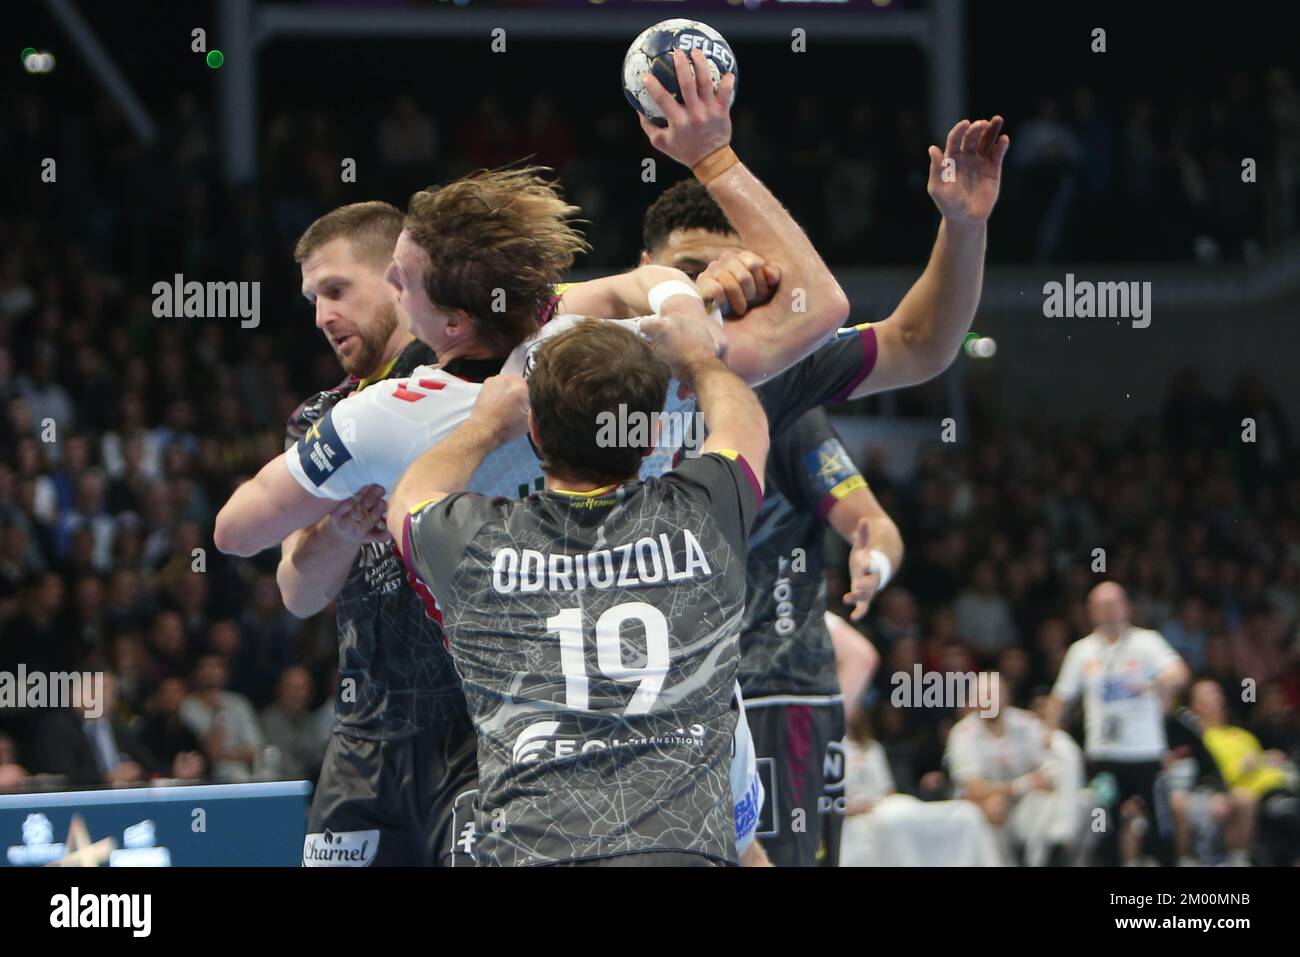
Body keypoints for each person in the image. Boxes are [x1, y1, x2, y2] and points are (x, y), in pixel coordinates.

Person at [388, 303, 768, 866]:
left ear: (535, 431)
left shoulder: (476, 544)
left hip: (536, 850)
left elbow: (410, 495)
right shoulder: (703, 513)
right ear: (652, 435)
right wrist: (696, 359)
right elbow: (745, 426)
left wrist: (487, 424)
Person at [1042, 581, 1190, 865]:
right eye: (1100, 606)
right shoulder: (1081, 651)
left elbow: (1180, 673)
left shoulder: (1148, 642)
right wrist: (1048, 735)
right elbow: (1060, 698)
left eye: (1113, 604)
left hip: (1146, 754)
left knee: (1161, 826)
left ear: (1126, 607)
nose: (1108, 611)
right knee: (1103, 827)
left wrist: (1153, 683)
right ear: (1091, 612)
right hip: (1103, 758)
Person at [1189, 679, 1300, 865]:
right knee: (1288, 814)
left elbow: (1260, 756)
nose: (1217, 699)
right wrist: (1248, 765)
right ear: (1195, 706)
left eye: (1218, 694)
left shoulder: (1240, 733)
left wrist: (1271, 757)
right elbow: (1217, 777)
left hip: (1283, 782)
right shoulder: (1202, 741)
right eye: (1209, 695)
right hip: (1255, 791)